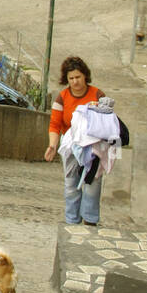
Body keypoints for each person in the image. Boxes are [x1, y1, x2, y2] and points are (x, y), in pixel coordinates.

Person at [44, 55, 105, 226]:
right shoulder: (62, 98)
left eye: (78, 77)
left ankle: (91, 220)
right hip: (71, 147)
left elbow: (107, 121)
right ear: (66, 79)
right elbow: (55, 125)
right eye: (71, 78)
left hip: (94, 146)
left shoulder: (98, 95)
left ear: (85, 75)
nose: (75, 81)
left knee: (93, 182)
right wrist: (52, 145)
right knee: (71, 184)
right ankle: (72, 221)